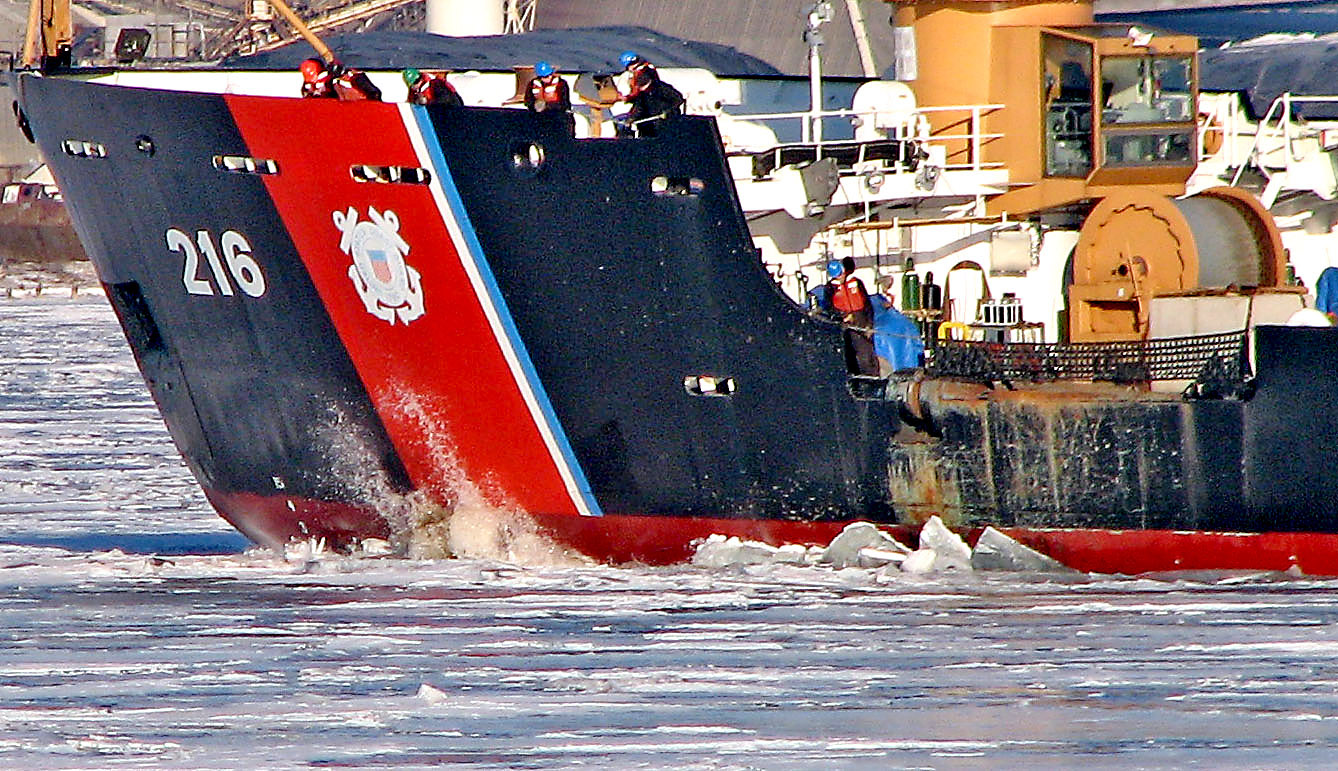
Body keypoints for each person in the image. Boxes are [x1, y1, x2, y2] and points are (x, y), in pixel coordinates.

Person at [826, 257, 879, 376]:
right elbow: (829, 308)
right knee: (848, 356)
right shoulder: (830, 288)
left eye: (841, 274)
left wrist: (869, 324)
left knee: (866, 355)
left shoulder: (856, 282)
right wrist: (841, 317)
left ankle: (872, 378)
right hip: (844, 324)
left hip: (861, 319)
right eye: (837, 276)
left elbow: (867, 304)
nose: (840, 278)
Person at [615, 50, 684, 137]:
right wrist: (631, 118)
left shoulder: (654, 81)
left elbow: (677, 99)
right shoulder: (643, 93)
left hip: (663, 119)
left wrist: (666, 112)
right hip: (649, 113)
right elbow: (639, 106)